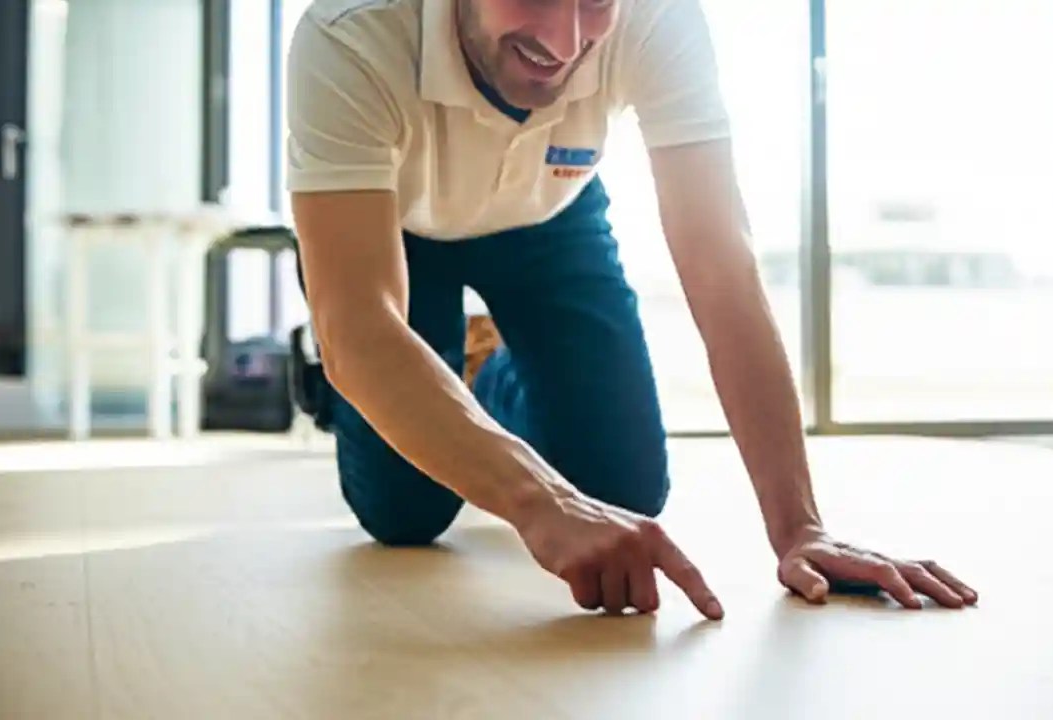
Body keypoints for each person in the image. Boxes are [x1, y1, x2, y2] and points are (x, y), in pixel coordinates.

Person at [285, 0, 978, 620]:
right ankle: (371, 385)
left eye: (596, 1)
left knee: (623, 491)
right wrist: (539, 504)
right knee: (406, 514)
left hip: (549, 211)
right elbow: (363, 325)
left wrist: (801, 528)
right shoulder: (348, 35)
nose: (565, 38)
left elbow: (721, 267)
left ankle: (481, 364)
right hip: (393, 231)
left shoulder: (662, 17)